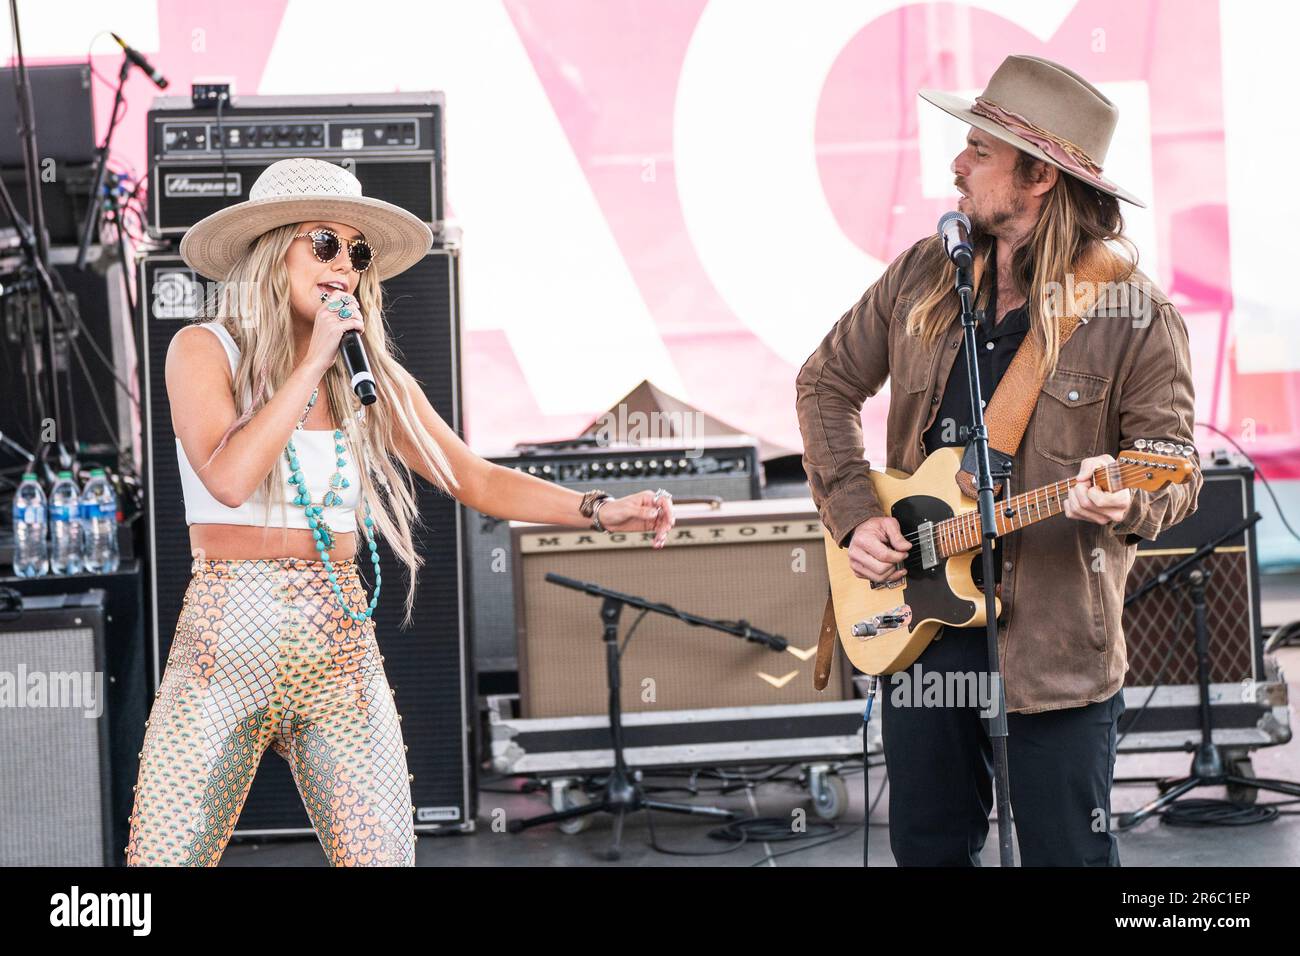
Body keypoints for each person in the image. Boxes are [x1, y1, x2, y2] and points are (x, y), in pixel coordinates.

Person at [125, 157, 675, 866]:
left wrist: (600, 510)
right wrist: (312, 360)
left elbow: (473, 477)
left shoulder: (369, 377)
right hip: (225, 644)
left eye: (356, 254)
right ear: (272, 249)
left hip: (339, 651)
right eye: (324, 244)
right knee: (161, 865)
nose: (344, 267)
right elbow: (229, 478)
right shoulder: (204, 349)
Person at [795, 55, 1201, 866]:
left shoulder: (1132, 312)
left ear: (1041, 176)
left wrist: (1130, 501)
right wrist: (855, 515)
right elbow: (825, 383)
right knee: (930, 849)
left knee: (1066, 855)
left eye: (979, 149)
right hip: (917, 627)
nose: (957, 164)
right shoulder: (923, 275)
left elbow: (1173, 466)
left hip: (1054, 649)